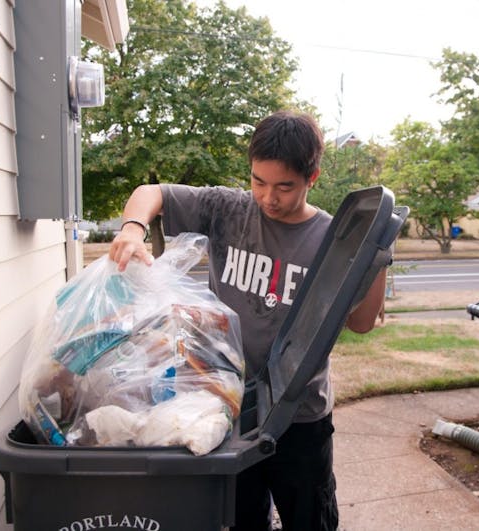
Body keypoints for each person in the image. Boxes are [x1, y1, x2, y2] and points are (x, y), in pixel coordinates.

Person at [109, 110, 386, 531]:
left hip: (300, 413)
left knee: (310, 520)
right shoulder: (230, 209)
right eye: (258, 181)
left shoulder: (333, 240)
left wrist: (378, 253)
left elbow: (363, 323)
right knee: (240, 519)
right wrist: (132, 228)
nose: (268, 197)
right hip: (228, 405)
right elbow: (152, 192)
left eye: (284, 186)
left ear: (312, 178)